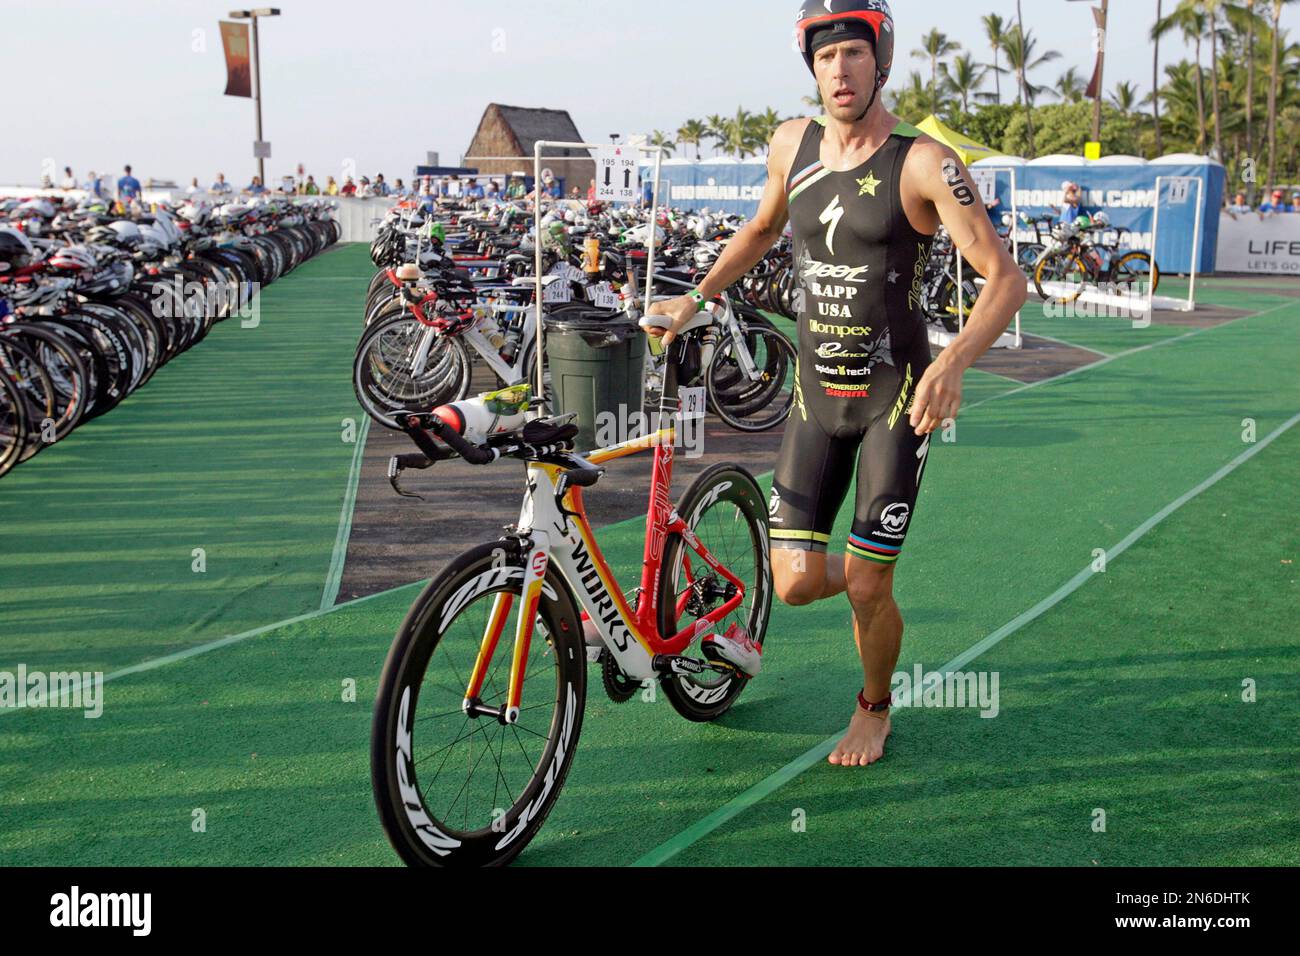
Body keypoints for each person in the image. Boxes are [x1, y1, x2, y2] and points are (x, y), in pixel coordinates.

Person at [645, 0, 1026, 767]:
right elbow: (759, 228)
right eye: (825, 57)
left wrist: (951, 365)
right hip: (815, 398)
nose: (840, 70)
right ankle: (870, 580)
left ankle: (873, 705)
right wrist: (698, 297)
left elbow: (1005, 278)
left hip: (896, 397)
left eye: (853, 53)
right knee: (790, 585)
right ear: (810, 66)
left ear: (879, 60)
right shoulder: (793, 143)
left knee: (861, 589)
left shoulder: (924, 162)